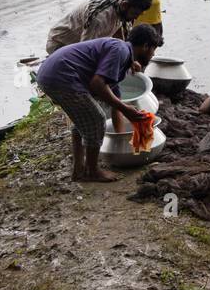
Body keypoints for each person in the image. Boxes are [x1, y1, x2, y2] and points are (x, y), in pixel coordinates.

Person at [36, 24, 161, 183]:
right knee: (96, 119)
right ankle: (92, 171)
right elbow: (97, 84)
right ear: (145, 46)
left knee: (82, 122)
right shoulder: (120, 51)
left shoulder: (122, 56)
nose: (153, 54)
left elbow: (115, 101)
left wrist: (121, 138)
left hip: (49, 73)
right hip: (61, 75)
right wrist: (127, 109)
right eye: (153, 49)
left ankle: (79, 170)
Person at [44, 0, 154, 54]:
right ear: (125, 5)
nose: (135, 18)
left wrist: (128, 60)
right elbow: (84, 51)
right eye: (135, 14)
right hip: (60, 45)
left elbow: (120, 38)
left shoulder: (121, 2)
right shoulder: (99, 19)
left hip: (79, 43)